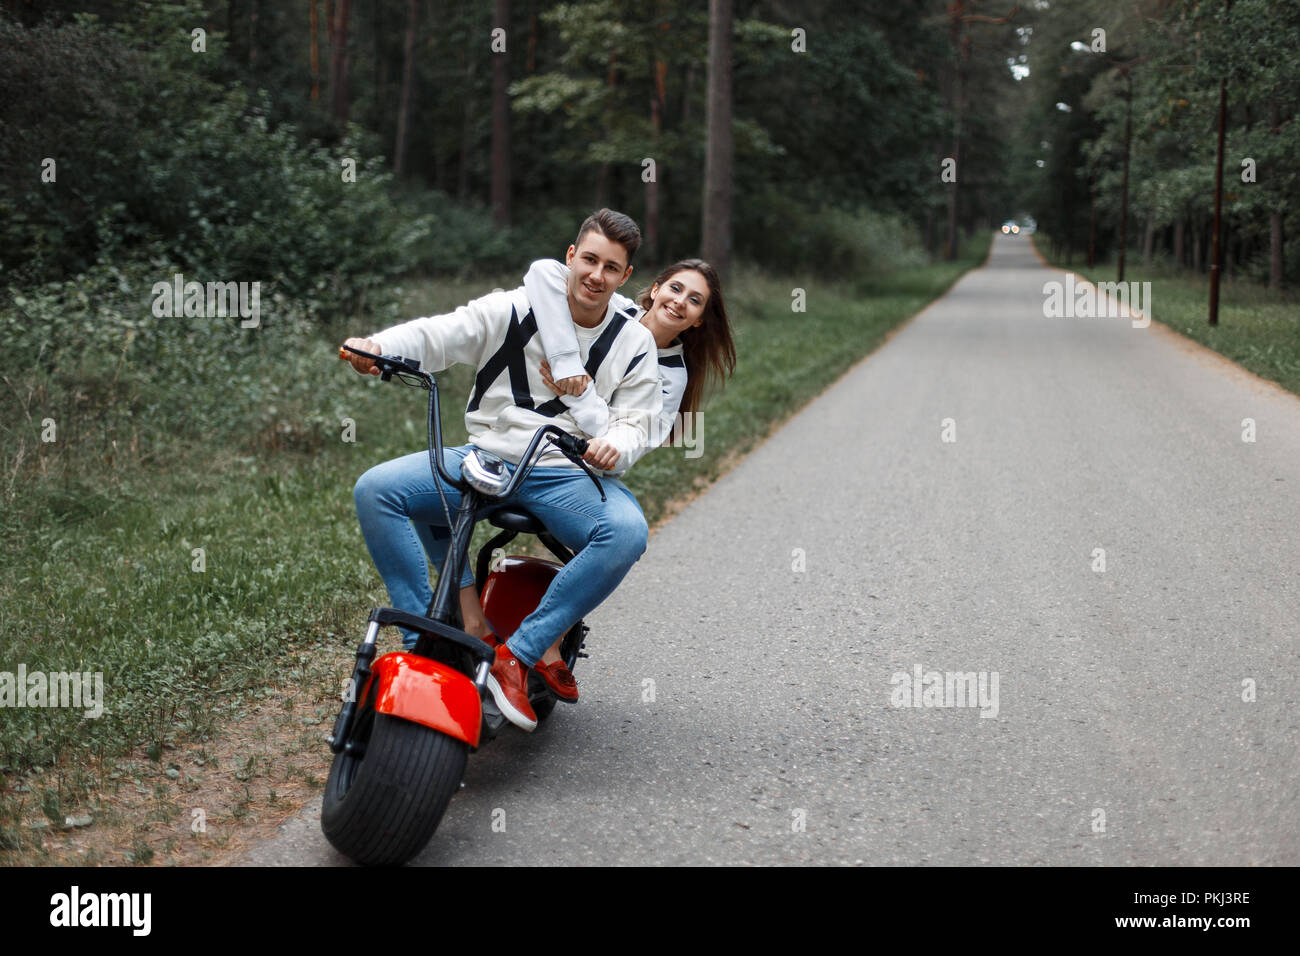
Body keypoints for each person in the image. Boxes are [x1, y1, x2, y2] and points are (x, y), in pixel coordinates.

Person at [342, 209, 659, 732]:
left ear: (625, 277)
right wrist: (380, 347)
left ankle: (521, 653)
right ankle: (431, 640)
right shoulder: (513, 308)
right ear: (571, 257)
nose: (596, 275)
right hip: (484, 455)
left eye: (612, 267)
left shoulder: (633, 341)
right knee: (378, 490)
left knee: (626, 533)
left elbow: (637, 422)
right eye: (590, 259)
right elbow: (439, 334)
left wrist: (613, 445)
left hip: (567, 470)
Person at [486, 256, 737, 683]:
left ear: (698, 321)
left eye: (695, 301)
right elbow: (548, 278)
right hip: (524, 441)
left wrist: (576, 392)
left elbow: (626, 438)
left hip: (587, 471)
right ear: (655, 288)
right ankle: (466, 623)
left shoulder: (672, 378)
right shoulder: (614, 310)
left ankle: (544, 638)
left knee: (626, 534)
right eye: (675, 289)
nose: (680, 303)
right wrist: (566, 365)